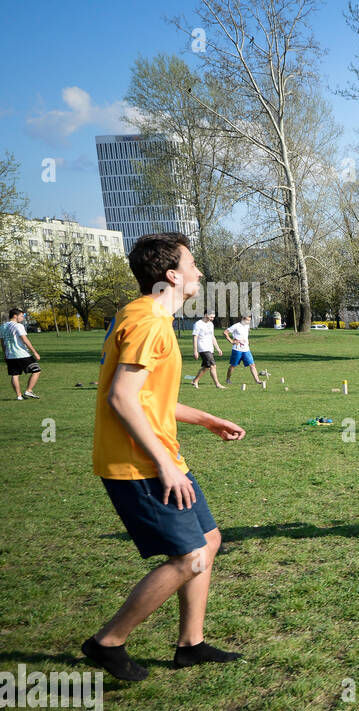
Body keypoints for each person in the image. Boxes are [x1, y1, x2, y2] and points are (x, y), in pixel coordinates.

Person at [83, 232, 246, 682]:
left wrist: (205, 419)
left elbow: (151, 399)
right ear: (172, 275)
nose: (199, 273)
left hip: (159, 456)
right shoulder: (149, 323)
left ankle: (190, 645)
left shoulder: (145, 315)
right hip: (137, 463)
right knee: (189, 556)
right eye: (193, 265)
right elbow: (122, 398)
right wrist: (165, 463)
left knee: (208, 543)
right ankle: (107, 642)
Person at [4, 308, 41, 400]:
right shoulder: (18, 326)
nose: (22, 318)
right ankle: (29, 390)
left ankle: (19, 396)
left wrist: (5, 354)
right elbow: (25, 340)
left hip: (10, 355)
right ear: (15, 316)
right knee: (36, 370)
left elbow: (2, 342)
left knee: (15, 374)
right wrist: (35, 352)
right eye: (21, 316)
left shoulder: (3, 326)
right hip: (22, 354)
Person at [224, 314, 263, 386]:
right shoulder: (236, 326)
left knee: (252, 365)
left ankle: (257, 380)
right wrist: (231, 341)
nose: (248, 322)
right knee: (233, 366)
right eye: (247, 320)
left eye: (249, 320)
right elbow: (225, 332)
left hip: (246, 350)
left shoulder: (247, 326)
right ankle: (228, 379)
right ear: (242, 319)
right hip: (237, 350)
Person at [190, 312, 225, 389]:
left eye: (213, 317)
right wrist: (195, 351)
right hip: (203, 348)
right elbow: (195, 337)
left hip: (210, 348)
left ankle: (195, 380)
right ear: (206, 315)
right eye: (211, 317)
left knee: (206, 367)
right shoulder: (198, 324)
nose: (212, 319)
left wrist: (218, 348)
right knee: (213, 366)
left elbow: (212, 337)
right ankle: (217, 384)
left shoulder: (210, 324)